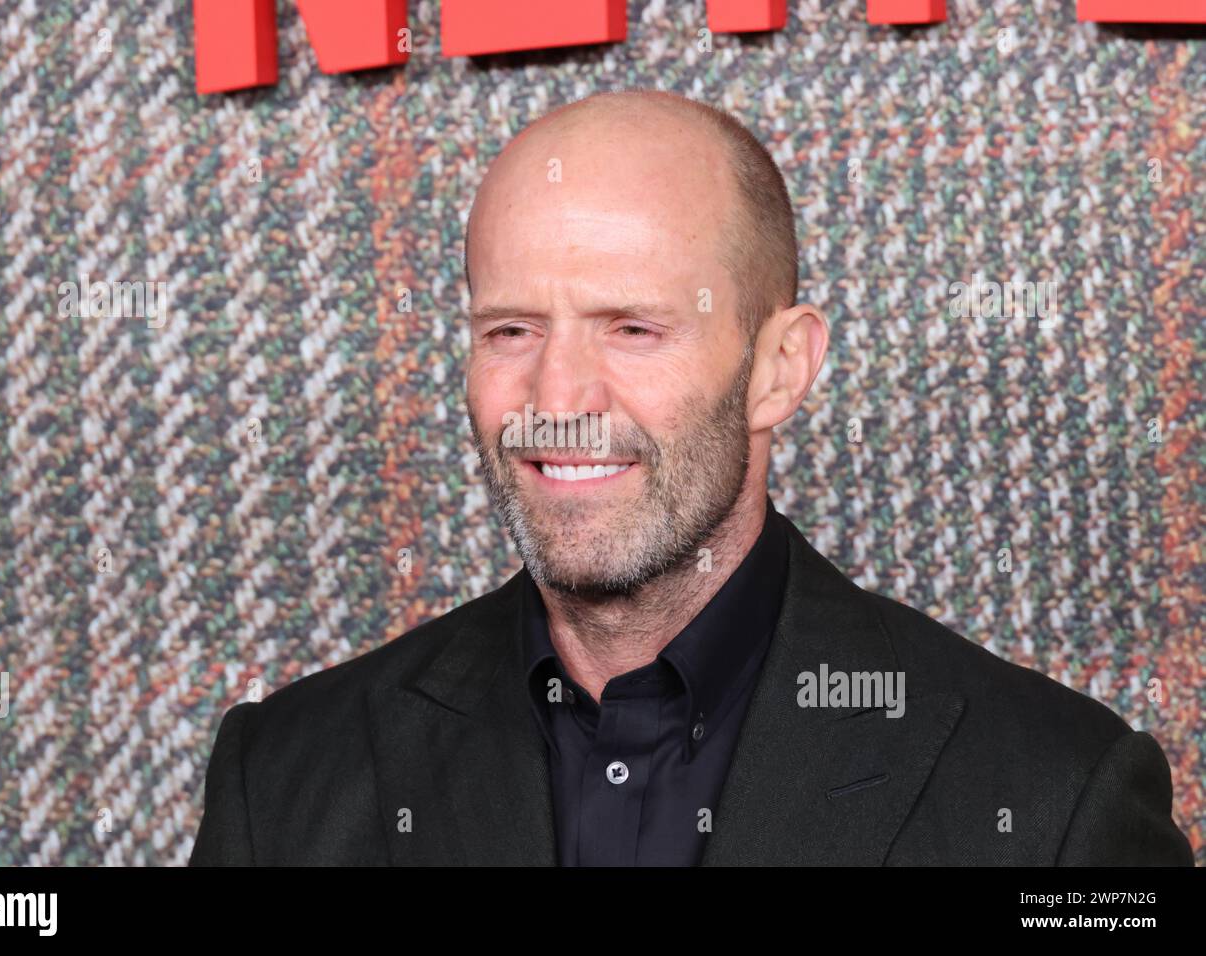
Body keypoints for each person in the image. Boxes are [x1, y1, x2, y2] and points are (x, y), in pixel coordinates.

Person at [189, 89, 1193, 866]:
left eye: (632, 327)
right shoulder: (280, 783)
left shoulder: (1054, 798)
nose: (557, 394)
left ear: (778, 369)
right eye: (510, 330)